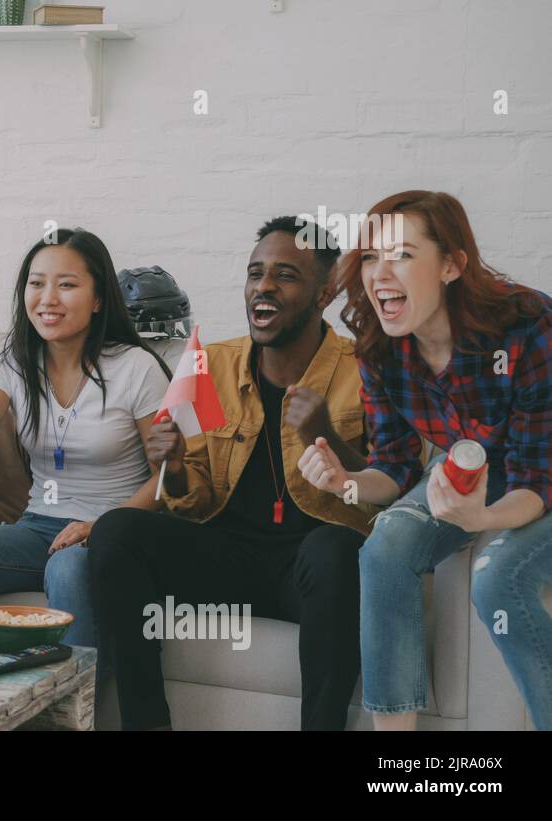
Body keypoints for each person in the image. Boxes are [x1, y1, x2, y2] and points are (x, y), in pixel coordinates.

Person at [88, 216, 374, 730]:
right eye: (255, 273)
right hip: (227, 560)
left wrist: (324, 435)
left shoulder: (364, 371)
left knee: (335, 549)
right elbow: (190, 498)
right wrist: (173, 466)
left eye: (285, 275)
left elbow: (386, 497)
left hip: (310, 572)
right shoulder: (212, 366)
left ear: (324, 292)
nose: (263, 286)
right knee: (118, 531)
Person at [299, 190, 552, 730]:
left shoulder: (527, 326)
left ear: (452, 265)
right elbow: (393, 470)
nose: (379, 272)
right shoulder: (380, 345)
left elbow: (538, 476)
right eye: (370, 256)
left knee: (498, 576)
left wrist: (483, 519)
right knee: (385, 545)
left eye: (402, 255)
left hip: (543, 463)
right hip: (487, 464)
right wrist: (345, 481)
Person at [0, 229, 172, 647]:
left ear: (99, 298)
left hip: (113, 532)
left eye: (66, 285)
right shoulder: (14, 362)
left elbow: (168, 479)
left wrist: (98, 525)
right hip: (39, 528)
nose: (48, 298)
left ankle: (79, 702)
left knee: (67, 569)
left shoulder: (135, 368)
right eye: (37, 284)